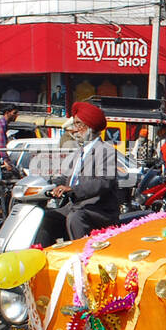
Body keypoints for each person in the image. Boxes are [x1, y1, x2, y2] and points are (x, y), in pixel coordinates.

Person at [49, 101, 121, 239]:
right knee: (46, 218)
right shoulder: (78, 153)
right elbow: (65, 178)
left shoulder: (106, 151)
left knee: (75, 218)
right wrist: (51, 184)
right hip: (74, 206)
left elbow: (104, 182)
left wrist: (73, 189)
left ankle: (81, 257)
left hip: (99, 209)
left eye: (78, 124)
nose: (74, 129)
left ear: (90, 127)